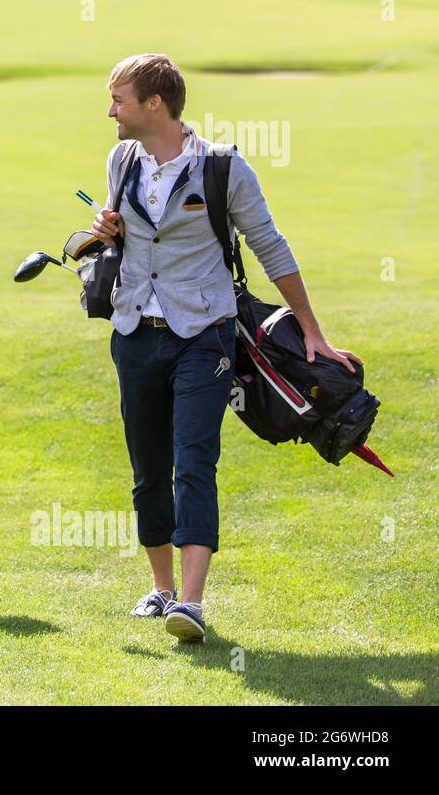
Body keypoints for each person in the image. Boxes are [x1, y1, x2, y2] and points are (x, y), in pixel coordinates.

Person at [92, 53, 361, 642]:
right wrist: (101, 228)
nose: (110, 109)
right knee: (147, 465)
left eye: (118, 99)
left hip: (204, 335)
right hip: (134, 332)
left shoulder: (222, 167)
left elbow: (269, 243)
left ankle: (191, 603)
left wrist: (311, 328)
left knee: (194, 460)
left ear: (153, 104)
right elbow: (116, 234)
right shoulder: (121, 158)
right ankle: (160, 590)